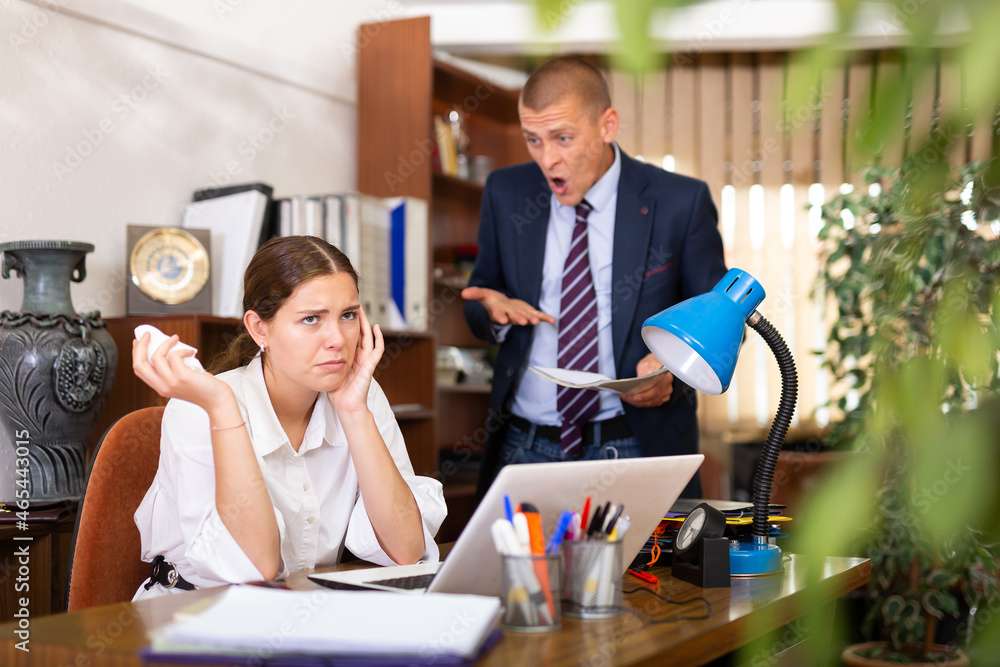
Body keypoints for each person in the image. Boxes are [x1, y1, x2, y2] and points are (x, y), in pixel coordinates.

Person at [462, 56, 727, 498]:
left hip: (632, 444)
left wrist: (672, 370)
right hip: (524, 446)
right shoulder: (507, 193)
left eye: (563, 138)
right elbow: (480, 294)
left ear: (607, 126)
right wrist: (492, 312)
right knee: (514, 570)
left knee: (642, 571)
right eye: (534, 140)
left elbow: (719, 322)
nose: (548, 159)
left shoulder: (680, 202)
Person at [131, 236, 446, 599]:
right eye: (311, 319)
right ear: (259, 328)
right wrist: (221, 407)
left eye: (348, 316)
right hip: (197, 608)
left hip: (302, 607)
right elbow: (256, 566)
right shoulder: (198, 408)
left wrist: (354, 410)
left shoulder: (361, 393)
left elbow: (405, 550)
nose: (337, 340)